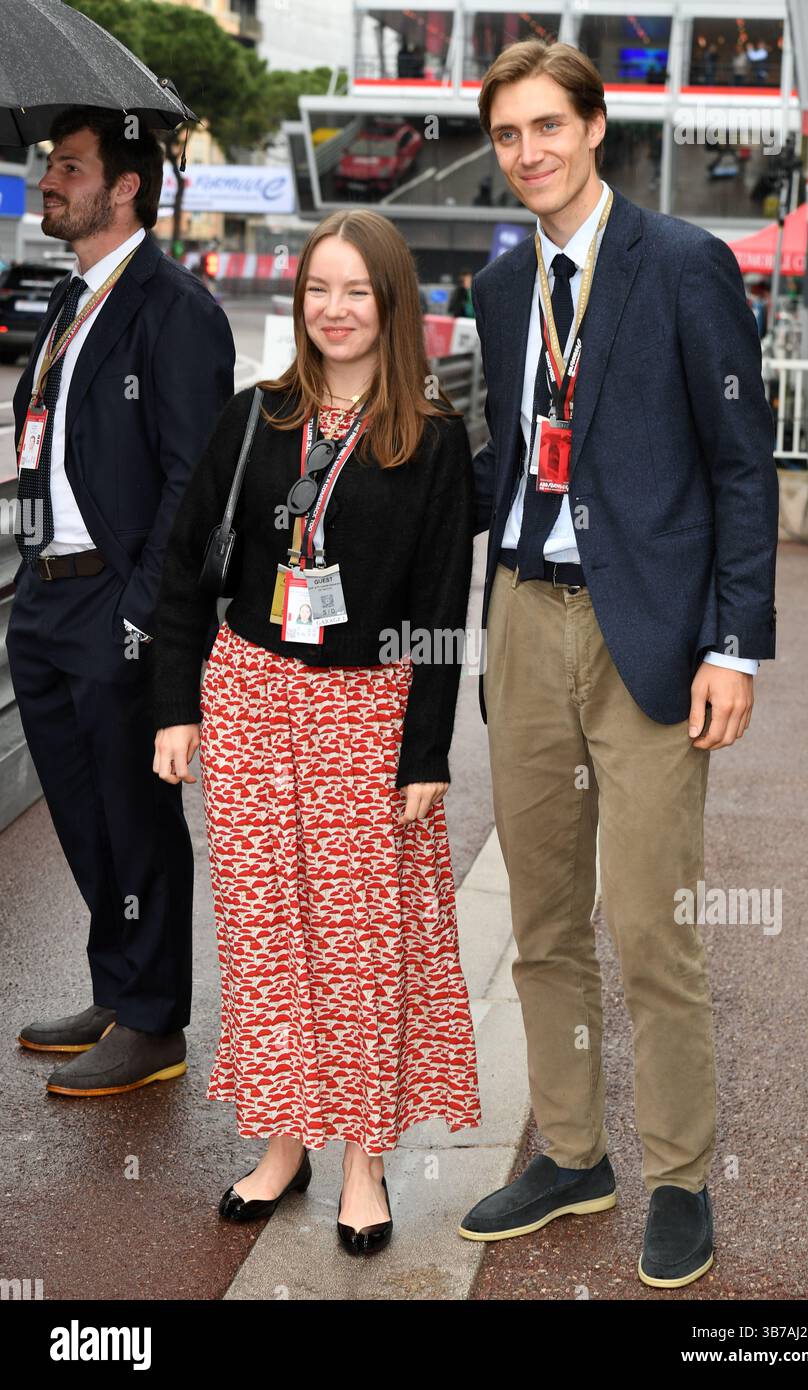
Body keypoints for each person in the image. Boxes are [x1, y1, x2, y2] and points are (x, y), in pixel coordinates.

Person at [459, 41, 778, 1288]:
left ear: (595, 128)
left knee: (650, 925)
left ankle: (681, 1176)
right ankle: (572, 1152)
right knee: (540, 920)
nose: (528, 152)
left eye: (547, 126)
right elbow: (505, 459)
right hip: (526, 617)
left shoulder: (685, 265)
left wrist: (733, 644)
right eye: (507, 134)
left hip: (649, 629)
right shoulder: (498, 289)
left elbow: (742, 466)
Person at [149, 207, 481, 1255]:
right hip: (248, 694)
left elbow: (440, 605)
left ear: (391, 305)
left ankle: (362, 1162)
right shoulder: (256, 415)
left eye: (356, 291)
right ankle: (281, 1141)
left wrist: (424, 753)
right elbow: (183, 567)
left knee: (359, 946)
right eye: (316, 290)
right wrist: (174, 702)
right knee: (262, 933)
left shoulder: (429, 440)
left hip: (367, 710)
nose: (333, 311)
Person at [7, 109, 235, 1094]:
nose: (46, 180)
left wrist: (150, 610)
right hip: (44, 596)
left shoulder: (174, 310)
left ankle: (153, 1023)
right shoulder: (70, 298)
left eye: (68, 166)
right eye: (47, 164)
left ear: (125, 186)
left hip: (118, 602)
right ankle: (118, 984)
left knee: (136, 815)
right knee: (82, 811)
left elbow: (196, 481)